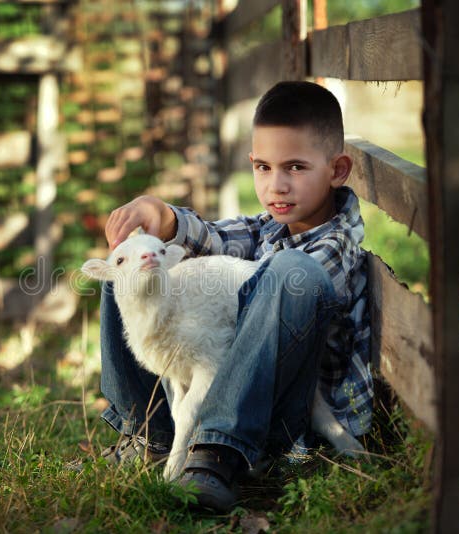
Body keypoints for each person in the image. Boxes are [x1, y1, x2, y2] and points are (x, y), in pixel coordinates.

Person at [97, 81, 371, 512]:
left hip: (279, 413)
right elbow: (217, 238)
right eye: (263, 167)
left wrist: (202, 293)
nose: (276, 185)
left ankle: (217, 451)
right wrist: (164, 219)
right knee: (126, 268)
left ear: (337, 170)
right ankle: (148, 432)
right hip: (220, 379)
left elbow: (276, 292)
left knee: (289, 272)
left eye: (295, 167)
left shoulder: (336, 244)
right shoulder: (268, 227)